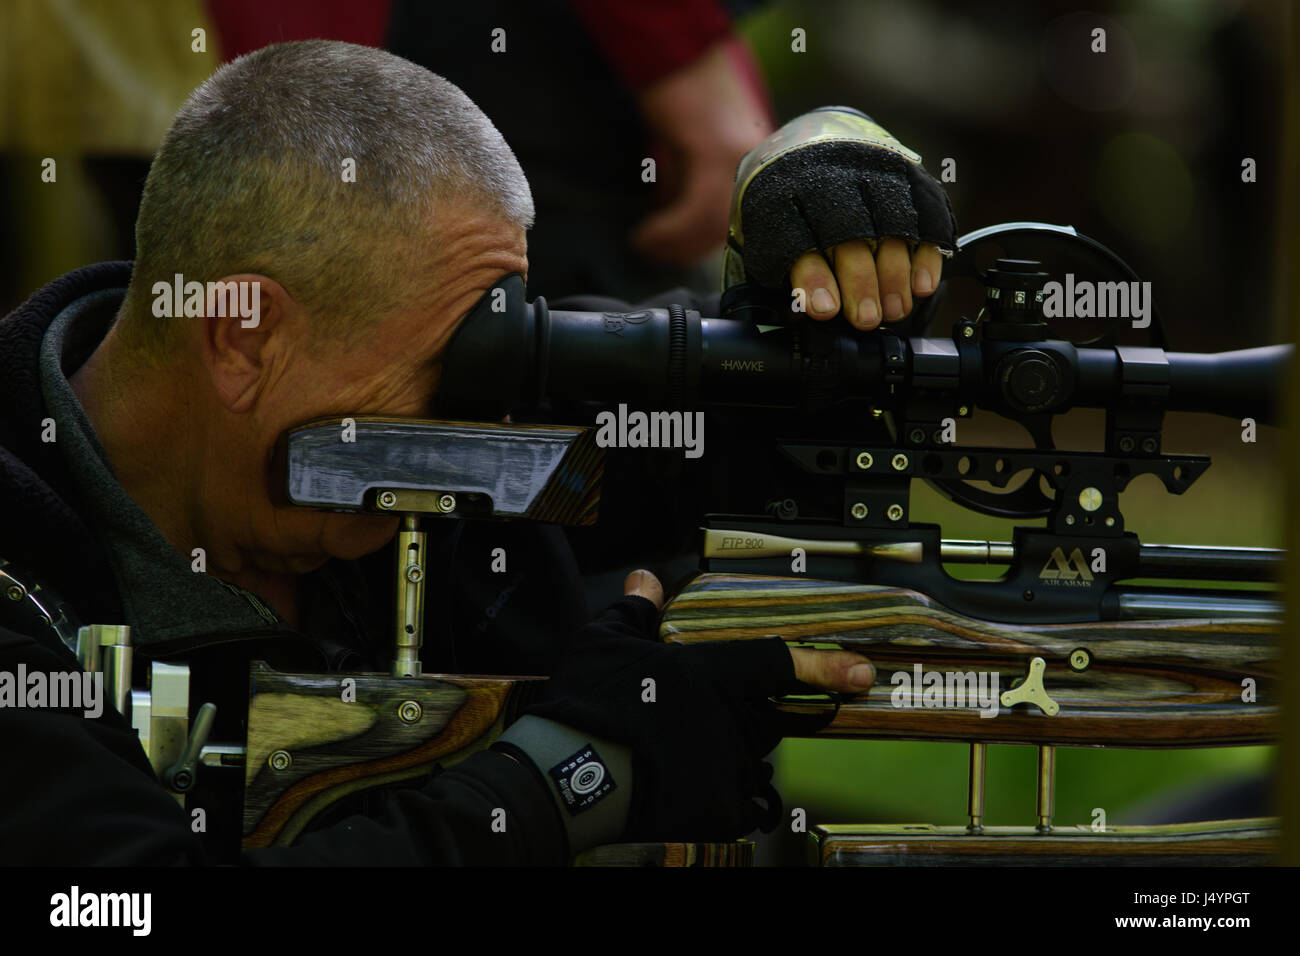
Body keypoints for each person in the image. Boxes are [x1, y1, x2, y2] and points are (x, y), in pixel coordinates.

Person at [0, 40, 952, 865]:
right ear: (244, 338)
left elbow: (799, 442)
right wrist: (568, 779)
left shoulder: (462, 393)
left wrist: (824, 179)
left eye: (501, 346)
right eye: (452, 366)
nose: (487, 427)